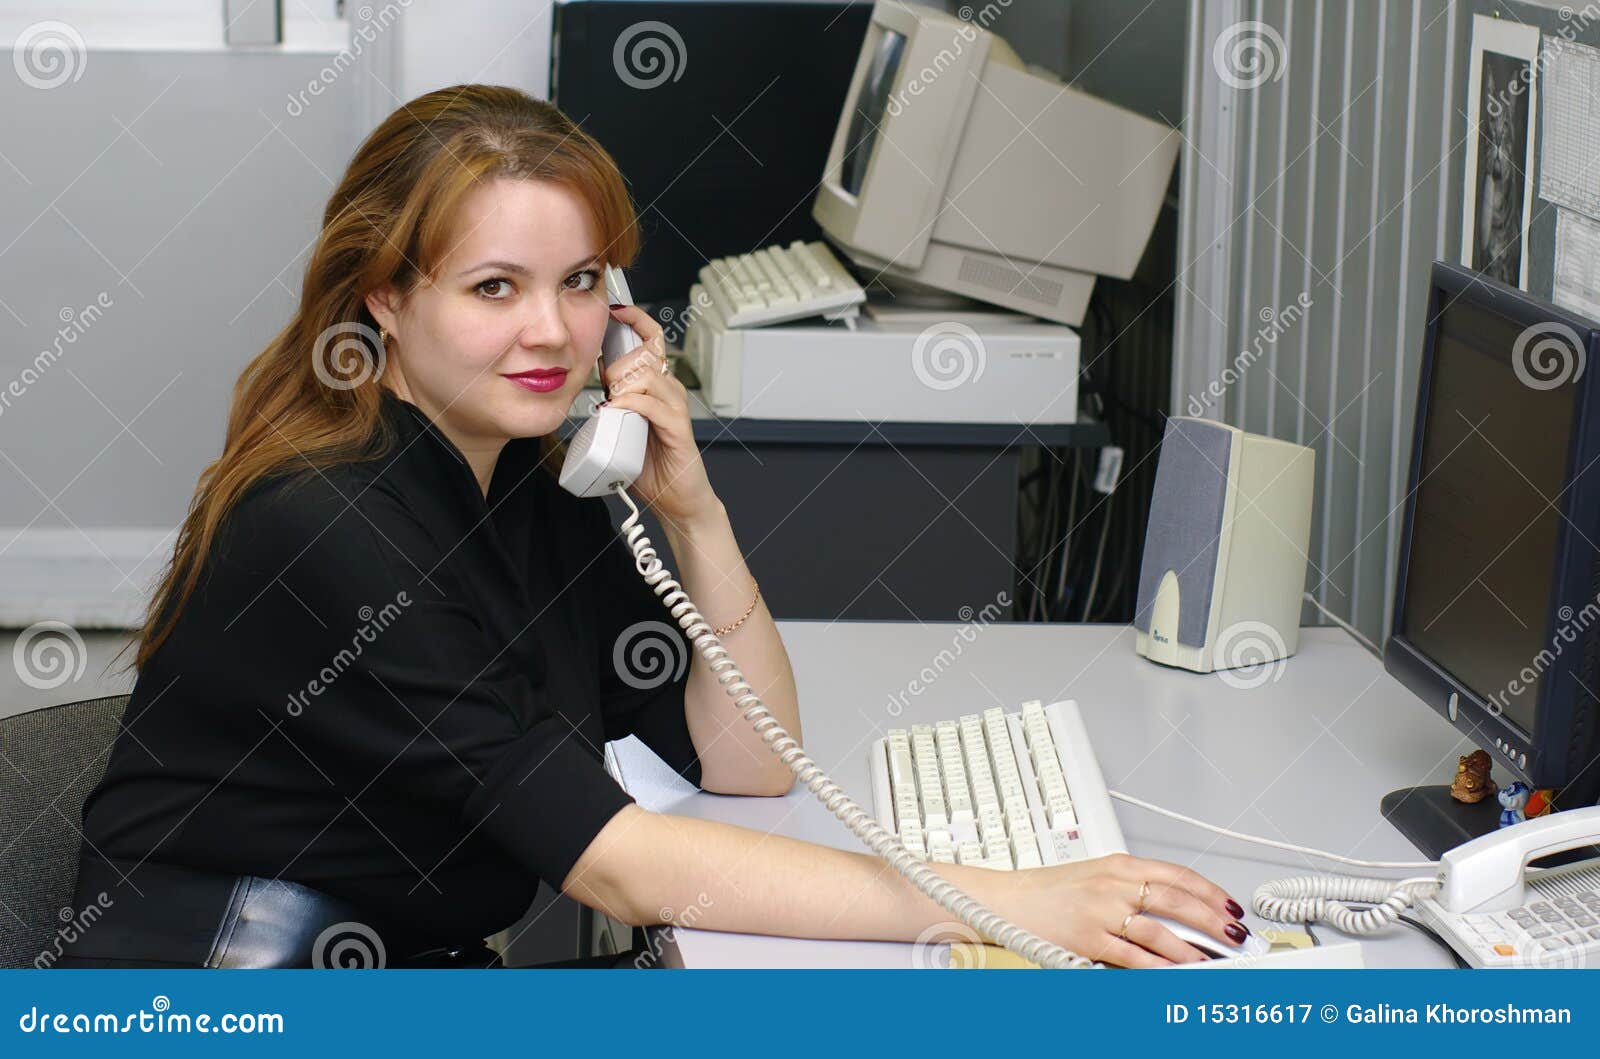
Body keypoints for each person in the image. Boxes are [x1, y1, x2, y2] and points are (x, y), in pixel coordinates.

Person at [59, 85, 1250, 969]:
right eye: (494, 288)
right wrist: (1000, 898)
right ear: (384, 294)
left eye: (582, 283)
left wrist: (694, 509)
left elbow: (745, 758)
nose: (552, 333)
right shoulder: (329, 522)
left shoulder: (524, 472)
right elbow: (615, 861)